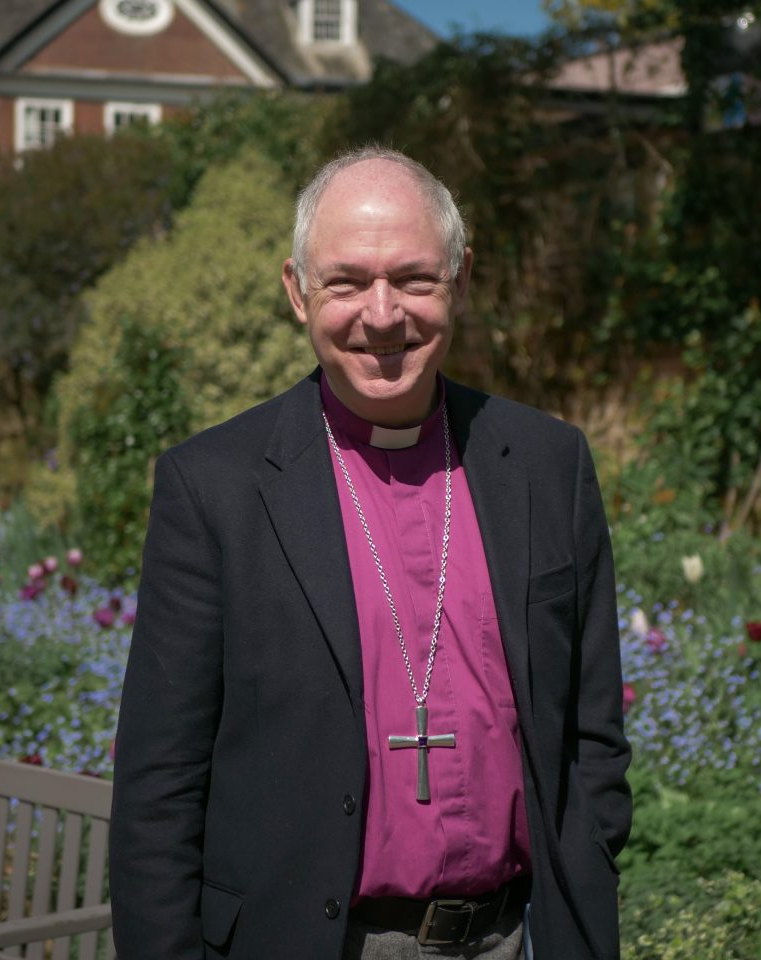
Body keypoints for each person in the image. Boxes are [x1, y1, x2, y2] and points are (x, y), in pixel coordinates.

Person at [109, 147, 631, 960]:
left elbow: (592, 730)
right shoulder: (214, 486)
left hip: (519, 937)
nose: (382, 315)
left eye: (414, 279)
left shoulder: (546, 463)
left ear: (461, 280)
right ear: (297, 291)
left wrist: (589, 858)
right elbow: (159, 786)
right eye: (347, 282)